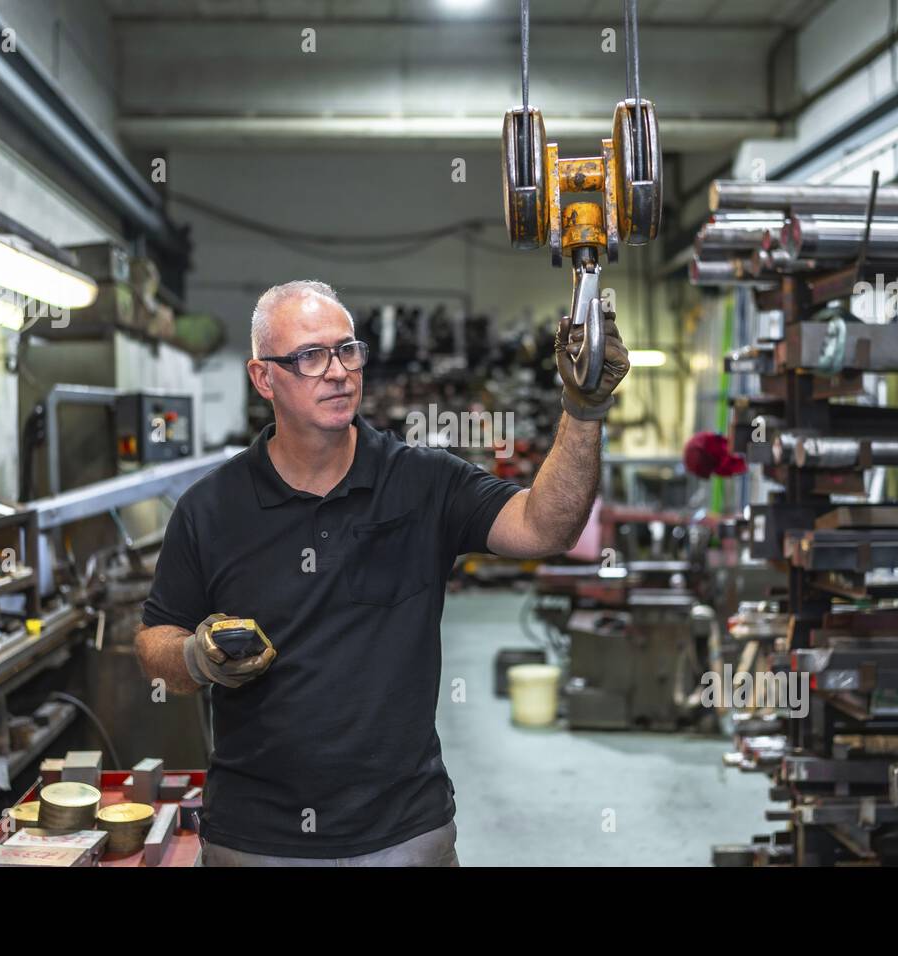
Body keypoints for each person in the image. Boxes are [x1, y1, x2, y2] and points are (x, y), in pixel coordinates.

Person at [135, 280, 628, 866]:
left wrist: (584, 410)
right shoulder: (210, 508)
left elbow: (547, 529)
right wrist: (197, 656)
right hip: (256, 839)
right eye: (310, 356)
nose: (338, 371)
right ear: (263, 378)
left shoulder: (424, 481)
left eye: (348, 351)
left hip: (403, 836)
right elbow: (154, 640)